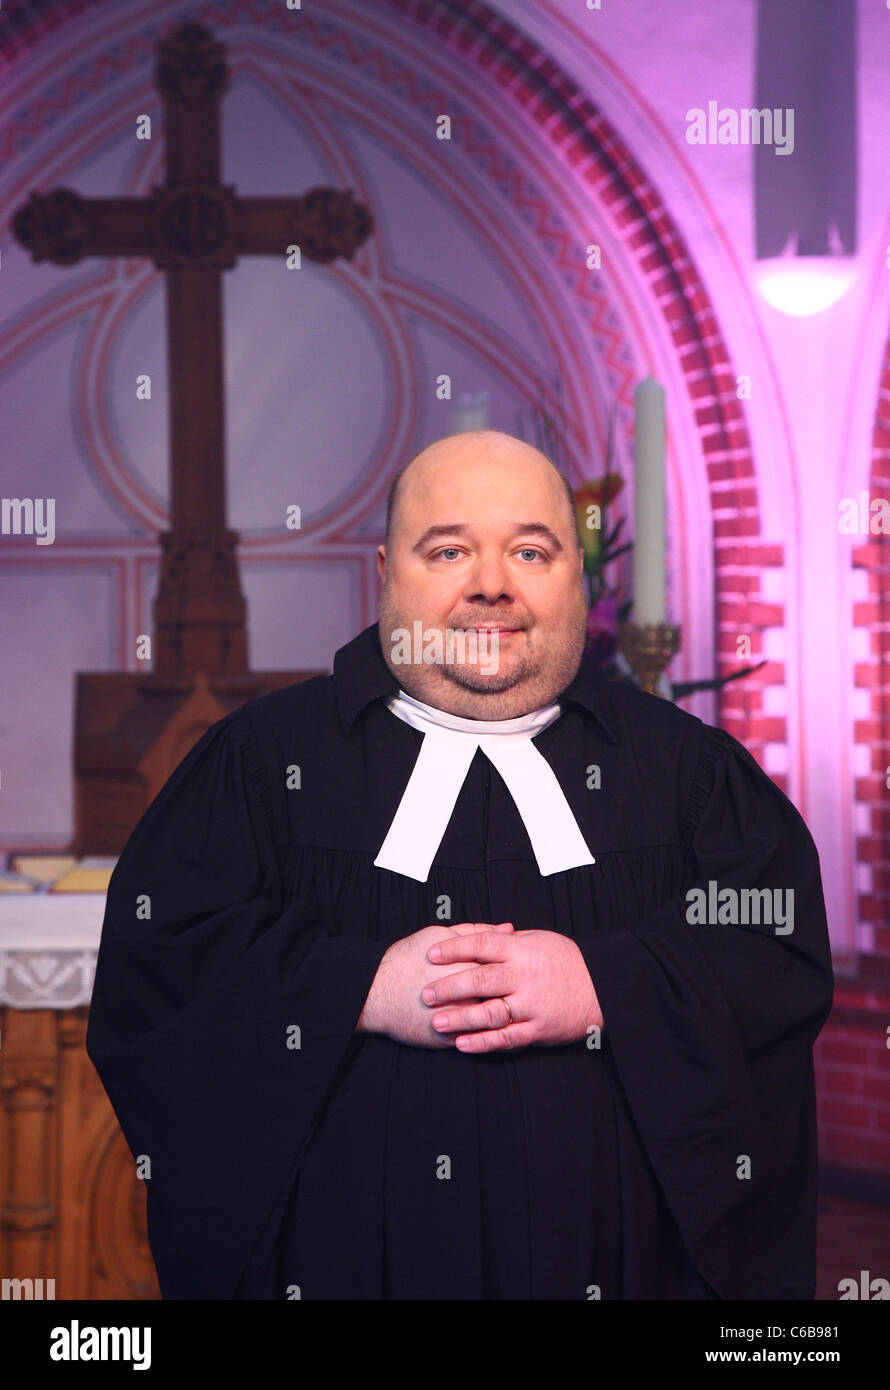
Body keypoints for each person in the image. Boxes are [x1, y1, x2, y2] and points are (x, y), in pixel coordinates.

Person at [86, 429, 834, 1300]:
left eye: (530, 550)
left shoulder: (689, 776)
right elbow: (160, 974)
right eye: (448, 550)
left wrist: (606, 984)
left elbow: (775, 956)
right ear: (385, 573)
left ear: (578, 580)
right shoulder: (258, 767)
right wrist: (356, 988)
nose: (490, 584)